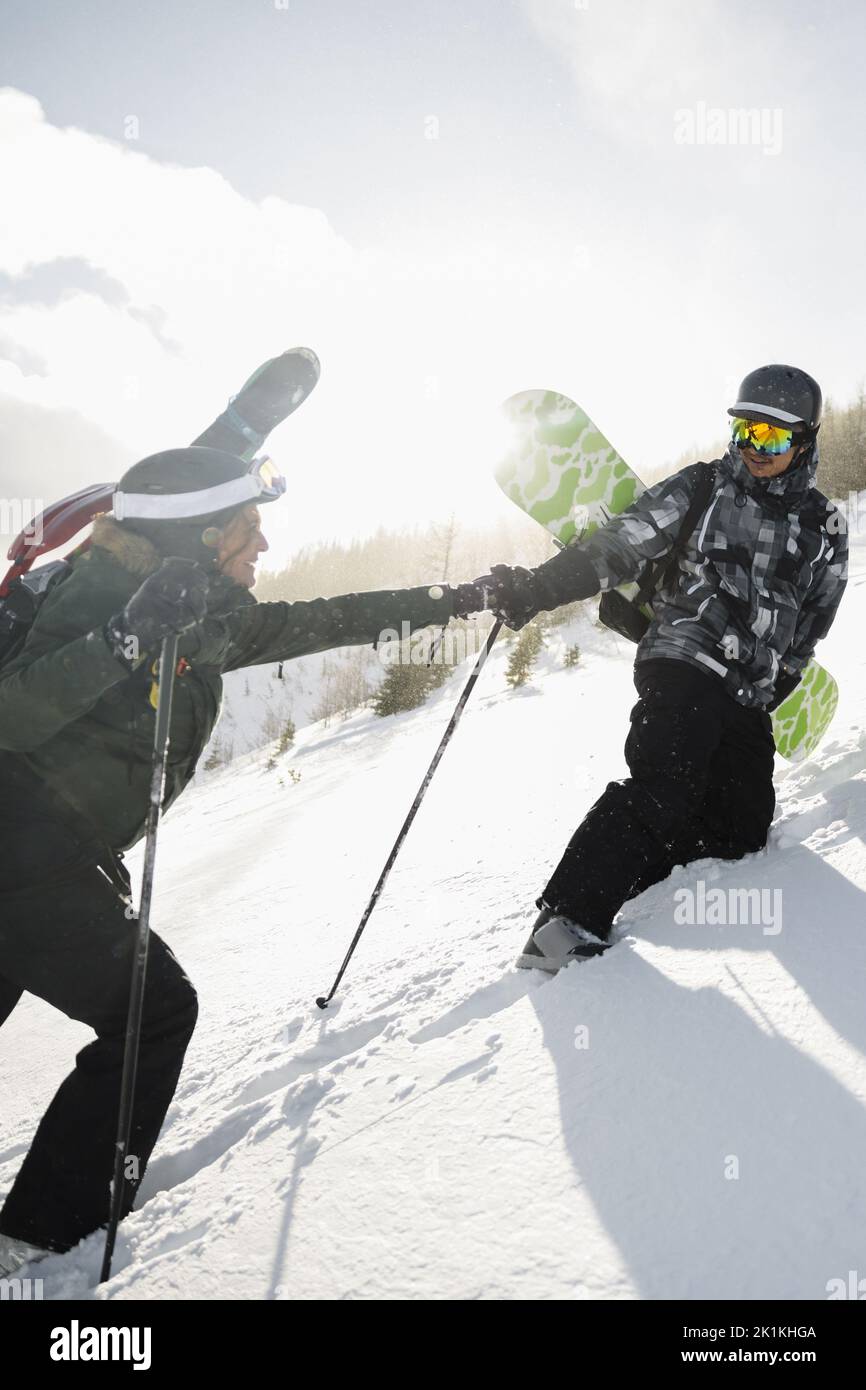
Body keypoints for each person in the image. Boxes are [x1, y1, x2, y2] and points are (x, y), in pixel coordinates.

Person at [0, 446, 457, 1273]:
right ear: (203, 538)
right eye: (249, 528)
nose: (265, 547)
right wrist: (125, 636)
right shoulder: (108, 593)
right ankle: (37, 1237)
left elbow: (323, 620)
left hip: (42, 858)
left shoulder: (201, 610)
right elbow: (10, 713)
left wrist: (458, 599)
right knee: (153, 1011)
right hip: (24, 851)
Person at [453, 364, 848, 972]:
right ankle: (565, 922)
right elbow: (620, 543)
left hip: (749, 690)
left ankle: (642, 873)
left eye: (770, 438)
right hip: (685, 656)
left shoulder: (824, 527)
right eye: (744, 431)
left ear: (804, 441)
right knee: (666, 780)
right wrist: (538, 587)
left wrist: (783, 681)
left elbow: (814, 619)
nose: (753, 449)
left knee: (742, 829)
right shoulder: (705, 487)